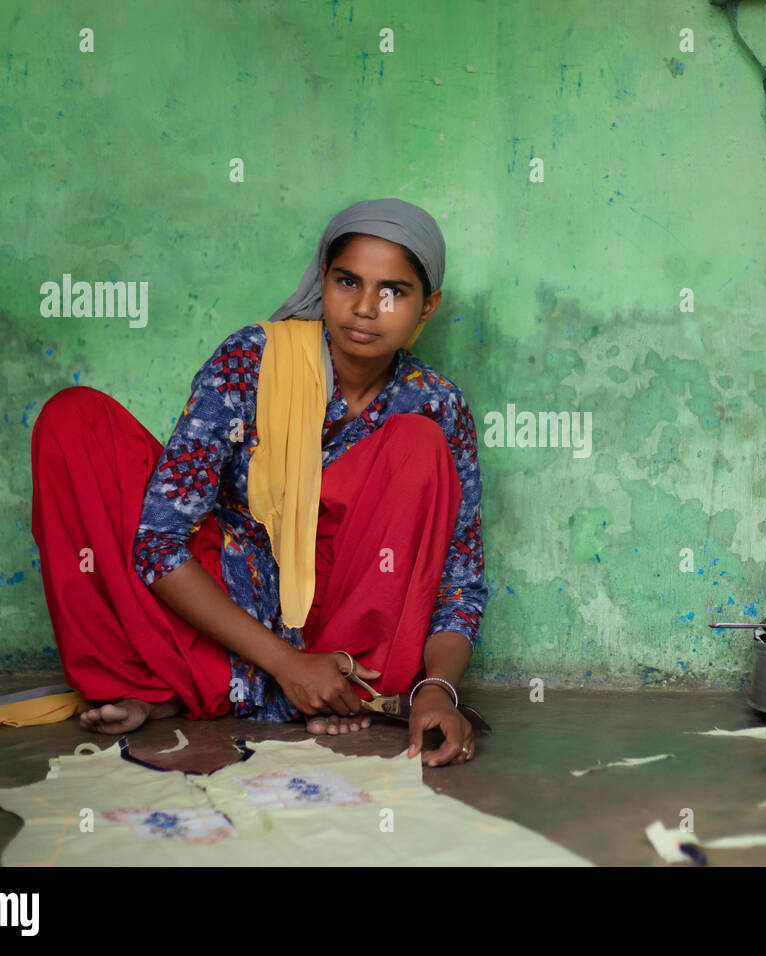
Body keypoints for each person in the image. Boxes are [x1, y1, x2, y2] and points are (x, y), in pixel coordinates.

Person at [30, 198, 489, 767]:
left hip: (348, 650)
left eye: (393, 291)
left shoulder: (436, 406)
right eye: (348, 281)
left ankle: (328, 691)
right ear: (323, 278)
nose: (367, 307)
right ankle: (186, 684)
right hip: (234, 607)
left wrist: (437, 691)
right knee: (75, 421)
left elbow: (458, 586)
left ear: (428, 307)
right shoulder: (253, 360)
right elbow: (158, 542)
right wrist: (287, 664)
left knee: (416, 445)